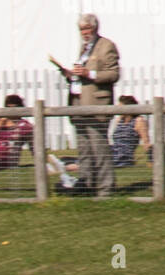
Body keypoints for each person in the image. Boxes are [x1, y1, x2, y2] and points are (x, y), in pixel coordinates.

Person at [57, 13, 120, 197]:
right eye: (81, 30)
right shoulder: (84, 48)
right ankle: (86, 185)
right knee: (84, 148)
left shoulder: (106, 46)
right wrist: (71, 74)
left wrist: (89, 74)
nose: (84, 33)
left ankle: (106, 188)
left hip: (96, 106)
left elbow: (113, 74)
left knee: (99, 148)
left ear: (95, 28)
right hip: (78, 104)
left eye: (87, 29)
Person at [110, 94, 149, 166]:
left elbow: (146, 142)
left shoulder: (138, 121)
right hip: (111, 154)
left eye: (120, 107)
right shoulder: (119, 120)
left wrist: (151, 160)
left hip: (124, 158)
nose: (118, 109)